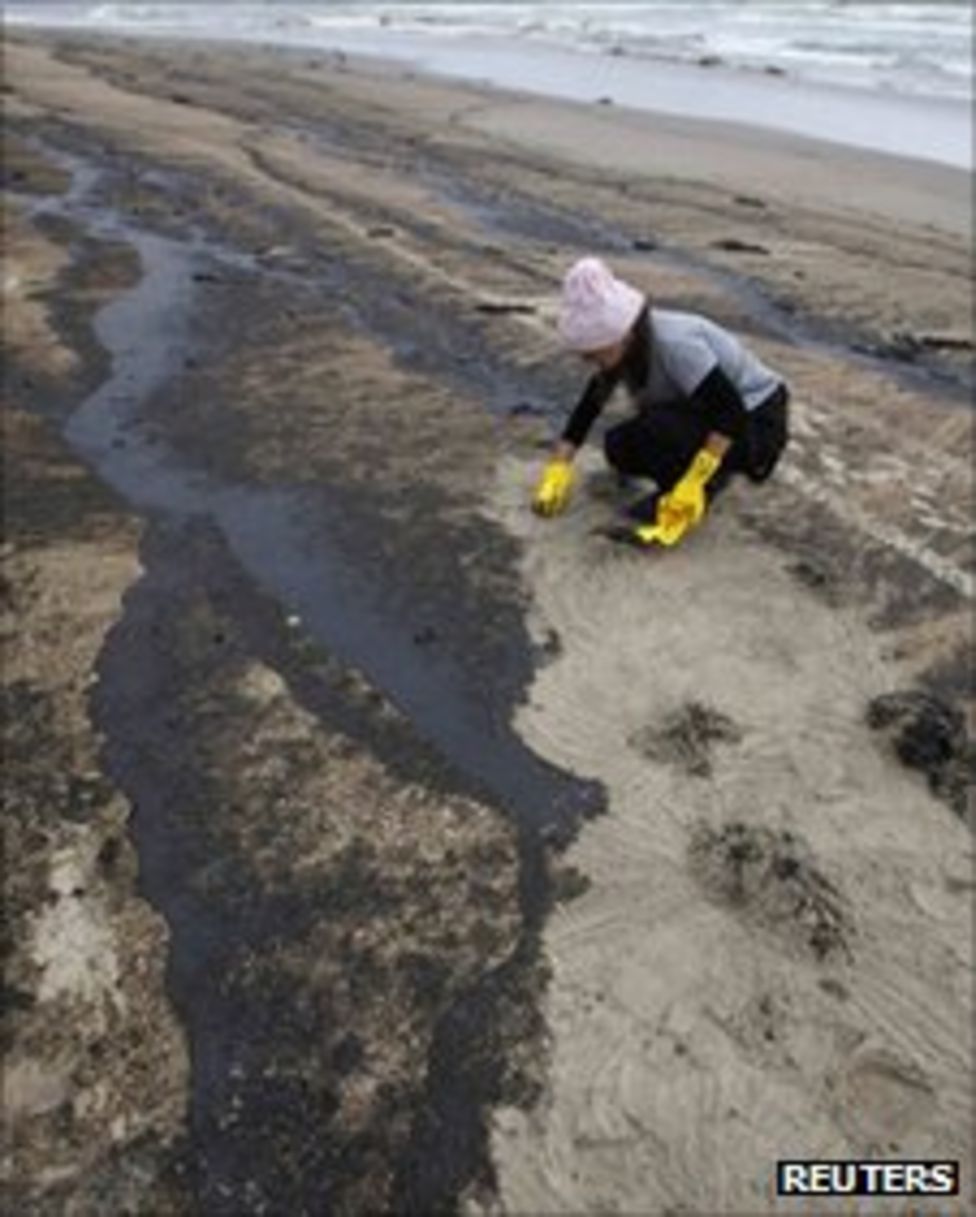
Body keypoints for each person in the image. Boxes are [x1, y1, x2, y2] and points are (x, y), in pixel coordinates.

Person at [532, 256, 790, 546]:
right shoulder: (627, 349)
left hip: (757, 420)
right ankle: (699, 475)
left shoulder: (675, 345)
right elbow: (589, 407)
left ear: (624, 336)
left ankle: (702, 488)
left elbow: (730, 411)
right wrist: (558, 468)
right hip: (707, 413)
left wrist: (694, 481)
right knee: (619, 446)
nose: (588, 359)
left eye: (594, 352)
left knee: (658, 430)